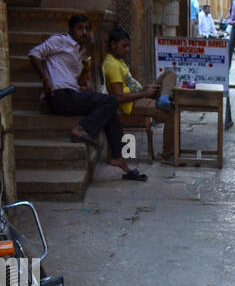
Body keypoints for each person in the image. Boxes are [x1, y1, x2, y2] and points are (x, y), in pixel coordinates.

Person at [28, 13, 146, 181]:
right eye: (80, 28)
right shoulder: (59, 41)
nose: (84, 32)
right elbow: (34, 54)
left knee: (110, 108)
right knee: (111, 100)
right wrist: (45, 80)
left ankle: (117, 157)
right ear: (71, 30)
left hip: (71, 94)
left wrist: (83, 85)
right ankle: (81, 130)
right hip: (58, 96)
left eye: (87, 29)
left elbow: (66, 76)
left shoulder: (80, 52)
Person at [102, 26, 177, 160]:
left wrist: (144, 90)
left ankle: (164, 97)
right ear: (113, 45)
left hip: (139, 95)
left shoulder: (118, 61)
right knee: (172, 114)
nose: (127, 50)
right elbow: (118, 97)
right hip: (131, 104)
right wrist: (144, 94)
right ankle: (167, 155)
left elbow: (128, 85)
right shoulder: (111, 65)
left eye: (128, 46)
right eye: (124, 46)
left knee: (170, 73)